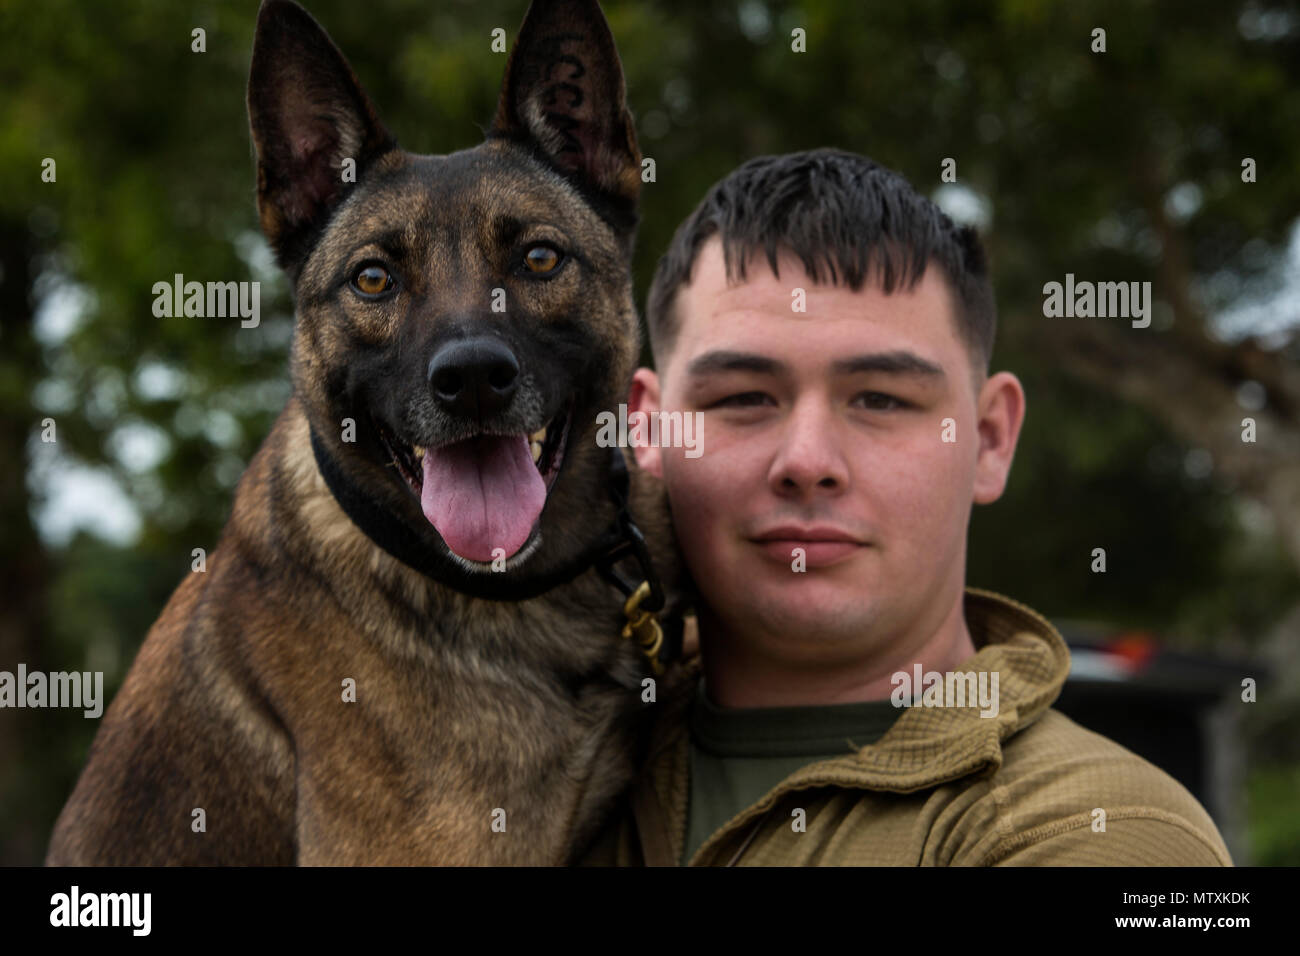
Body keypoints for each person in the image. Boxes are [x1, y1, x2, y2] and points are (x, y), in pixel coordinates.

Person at [577, 148, 1232, 866]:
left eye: (881, 400)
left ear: (989, 439)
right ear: (646, 429)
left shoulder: (1111, 831)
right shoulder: (556, 745)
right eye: (742, 398)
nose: (807, 462)